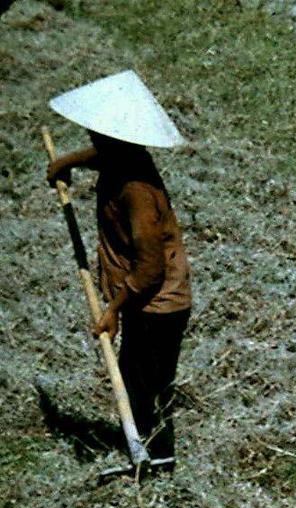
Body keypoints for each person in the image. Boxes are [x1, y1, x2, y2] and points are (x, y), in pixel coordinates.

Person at [46, 70, 192, 464]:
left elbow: (149, 268)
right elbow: (101, 155)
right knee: (138, 378)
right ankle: (143, 446)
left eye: (98, 134)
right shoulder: (123, 157)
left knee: (146, 386)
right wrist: (66, 162)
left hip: (157, 304)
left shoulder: (136, 191)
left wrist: (112, 310)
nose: (92, 138)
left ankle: (156, 457)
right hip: (141, 300)